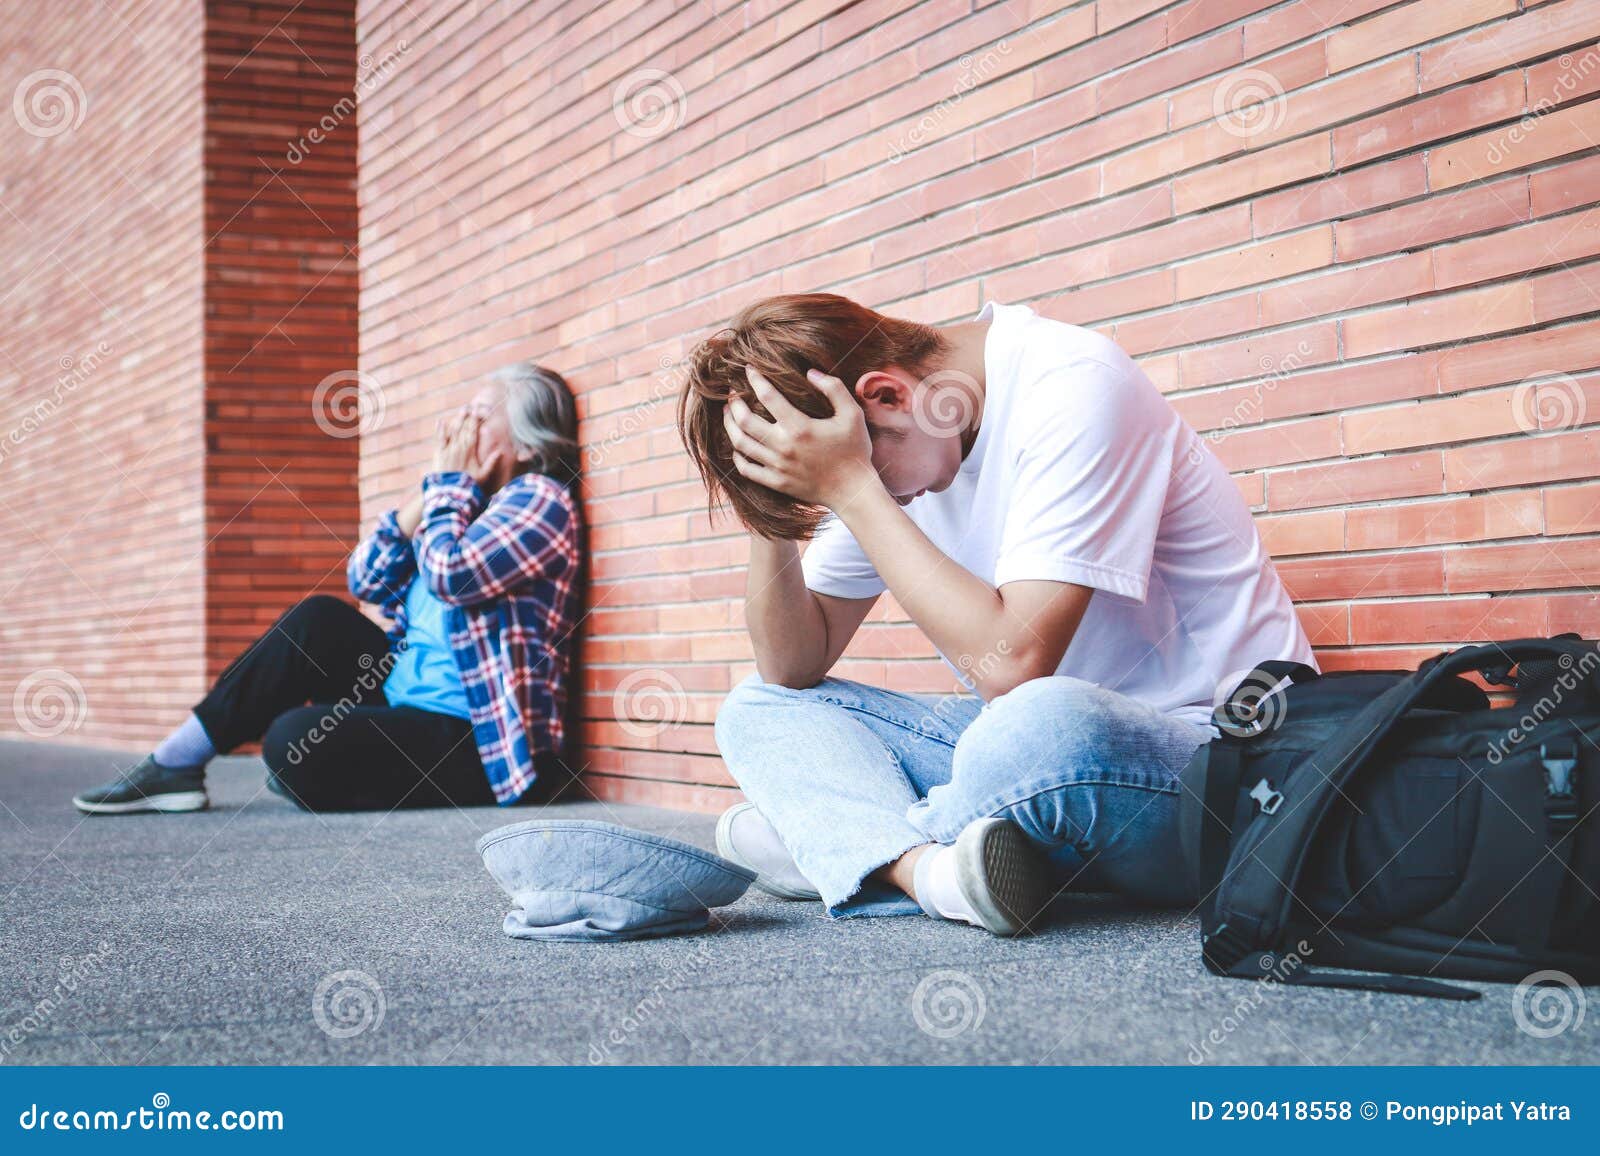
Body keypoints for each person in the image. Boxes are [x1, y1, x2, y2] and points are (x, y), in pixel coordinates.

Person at [678, 294, 1313, 936]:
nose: (879, 497)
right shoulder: (884, 446)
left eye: (854, 475)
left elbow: (1014, 663)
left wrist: (850, 483)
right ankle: (927, 871)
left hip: (1224, 763)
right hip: (1031, 768)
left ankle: (838, 844)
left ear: (888, 396)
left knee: (1038, 722)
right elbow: (792, 664)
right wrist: (771, 511)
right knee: (760, 706)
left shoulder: (1075, 384)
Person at [73, 363, 583, 814]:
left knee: (293, 739)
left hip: (475, 740)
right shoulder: (460, 502)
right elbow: (367, 580)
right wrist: (426, 498)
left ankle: (326, 766)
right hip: (402, 700)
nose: (459, 426)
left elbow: (453, 576)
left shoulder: (538, 500)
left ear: (527, 444)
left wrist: (448, 489)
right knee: (317, 620)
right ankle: (173, 765)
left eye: (479, 414)